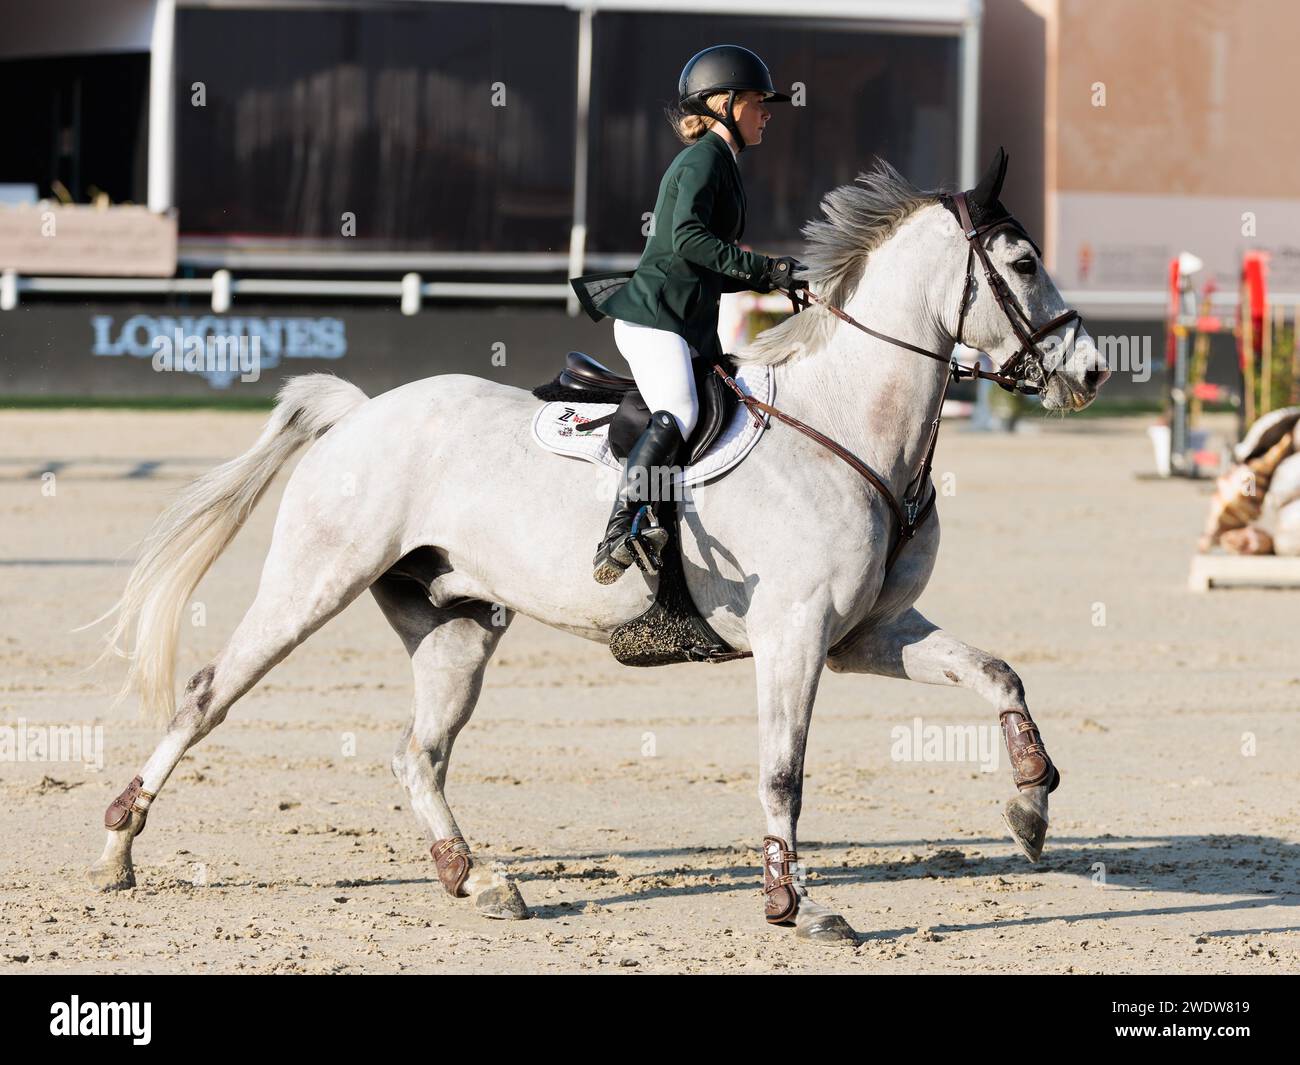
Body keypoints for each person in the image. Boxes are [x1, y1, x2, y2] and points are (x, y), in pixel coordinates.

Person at [571, 44, 806, 585]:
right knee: (678, 408)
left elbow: (703, 264)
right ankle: (621, 528)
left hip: (686, 318)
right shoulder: (703, 159)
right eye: (756, 102)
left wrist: (780, 281)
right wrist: (767, 270)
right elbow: (687, 239)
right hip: (657, 317)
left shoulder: (722, 161)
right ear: (722, 103)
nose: (766, 111)